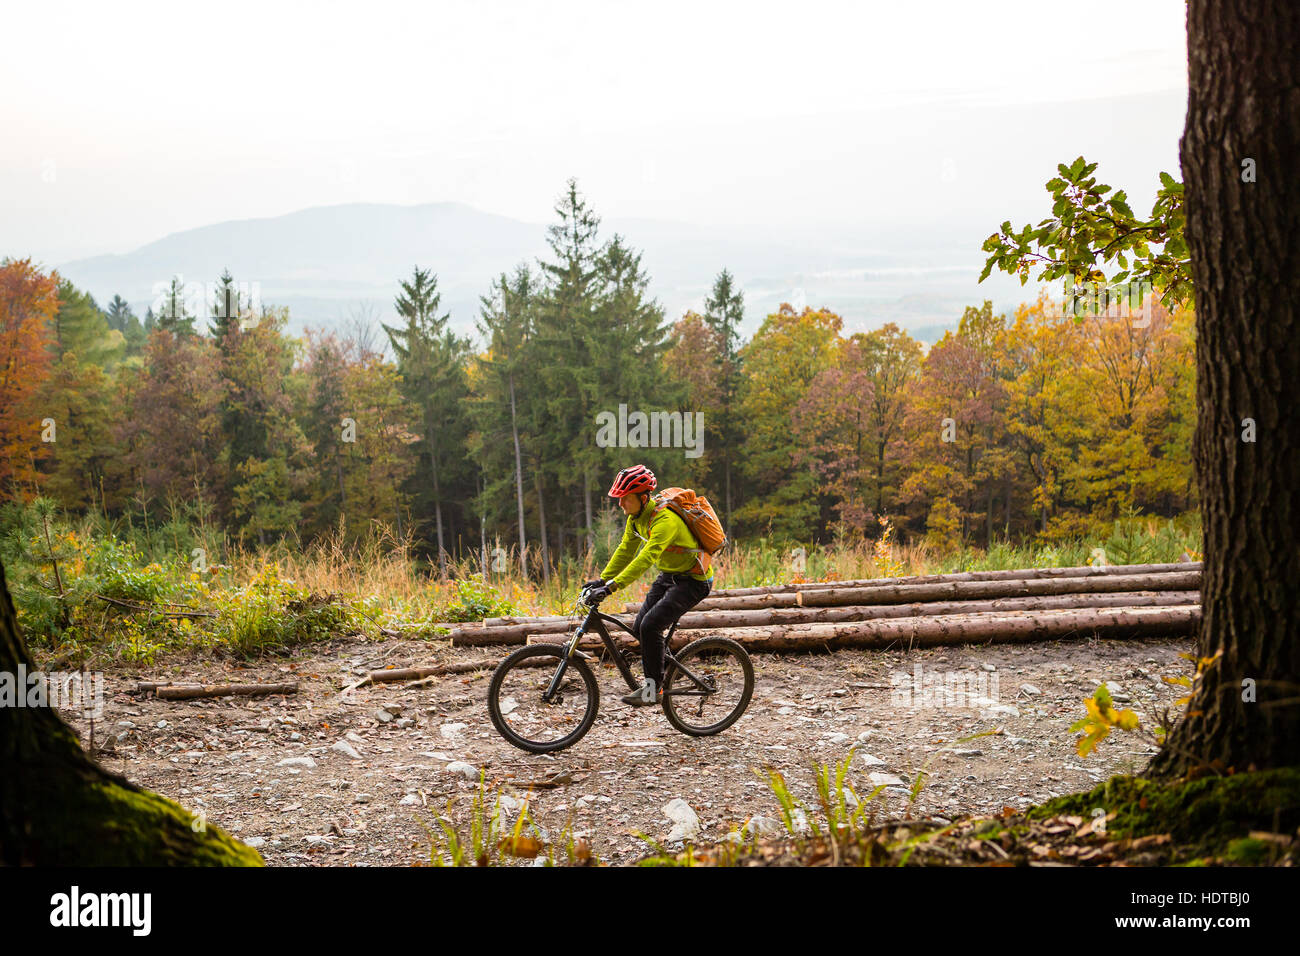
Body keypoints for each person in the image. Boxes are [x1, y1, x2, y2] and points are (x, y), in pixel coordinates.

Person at [583, 464, 714, 706]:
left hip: (694, 580)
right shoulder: (635, 518)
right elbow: (626, 550)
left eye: (625, 499)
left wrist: (613, 587)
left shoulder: (665, 520)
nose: (620, 504)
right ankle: (664, 670)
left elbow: (646, 557)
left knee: (651, 626)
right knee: (639, 626)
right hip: (670, 575)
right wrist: (603, 579)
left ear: (643, 498)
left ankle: (654, 689)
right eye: (619, 499)